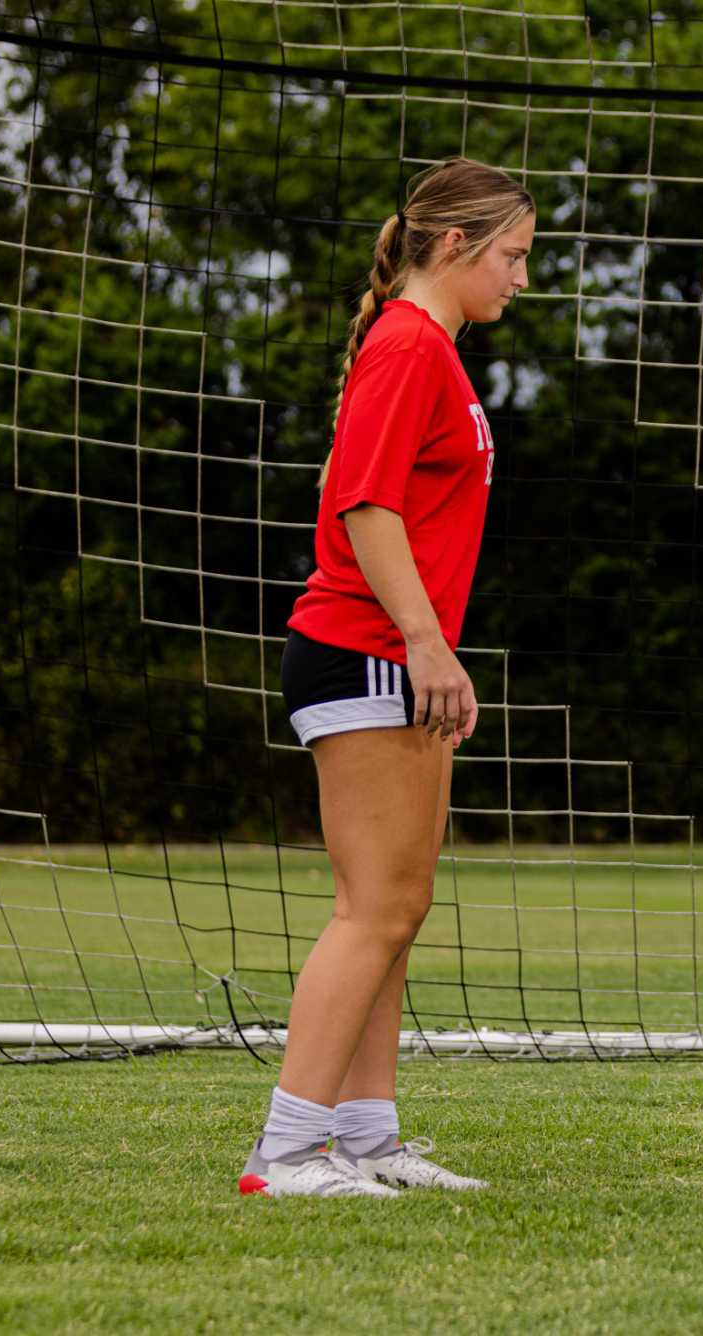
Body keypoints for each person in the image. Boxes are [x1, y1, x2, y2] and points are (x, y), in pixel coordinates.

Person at [239, 158, 535, 1198]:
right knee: (373, 910)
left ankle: (364, 1137)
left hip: (390, 654)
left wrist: (427, 647)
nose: (521, 278)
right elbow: (364, 507)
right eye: (511, 256)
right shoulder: (409, 345)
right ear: (452, 246)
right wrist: (424, 642)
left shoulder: (430, 351)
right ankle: (284, 1154)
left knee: (395, 908)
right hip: (363, 648)